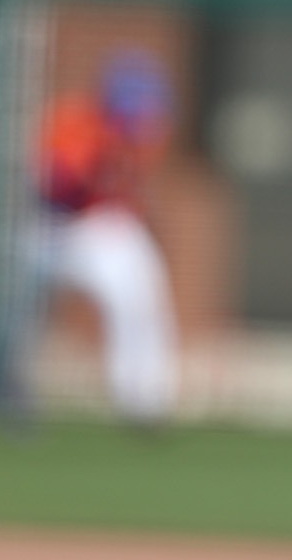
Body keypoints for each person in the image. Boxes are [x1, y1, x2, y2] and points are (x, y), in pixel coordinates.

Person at [26, 48, 179, 427]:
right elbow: (53, 193)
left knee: (143, 296)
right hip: (56, 229)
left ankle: (143, 400)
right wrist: (92, 167)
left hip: (108, 228)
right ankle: (9, 387)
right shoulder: (72, 123)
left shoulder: (145, 134)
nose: (142, 118)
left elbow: (130, 193)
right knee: (22, 312)